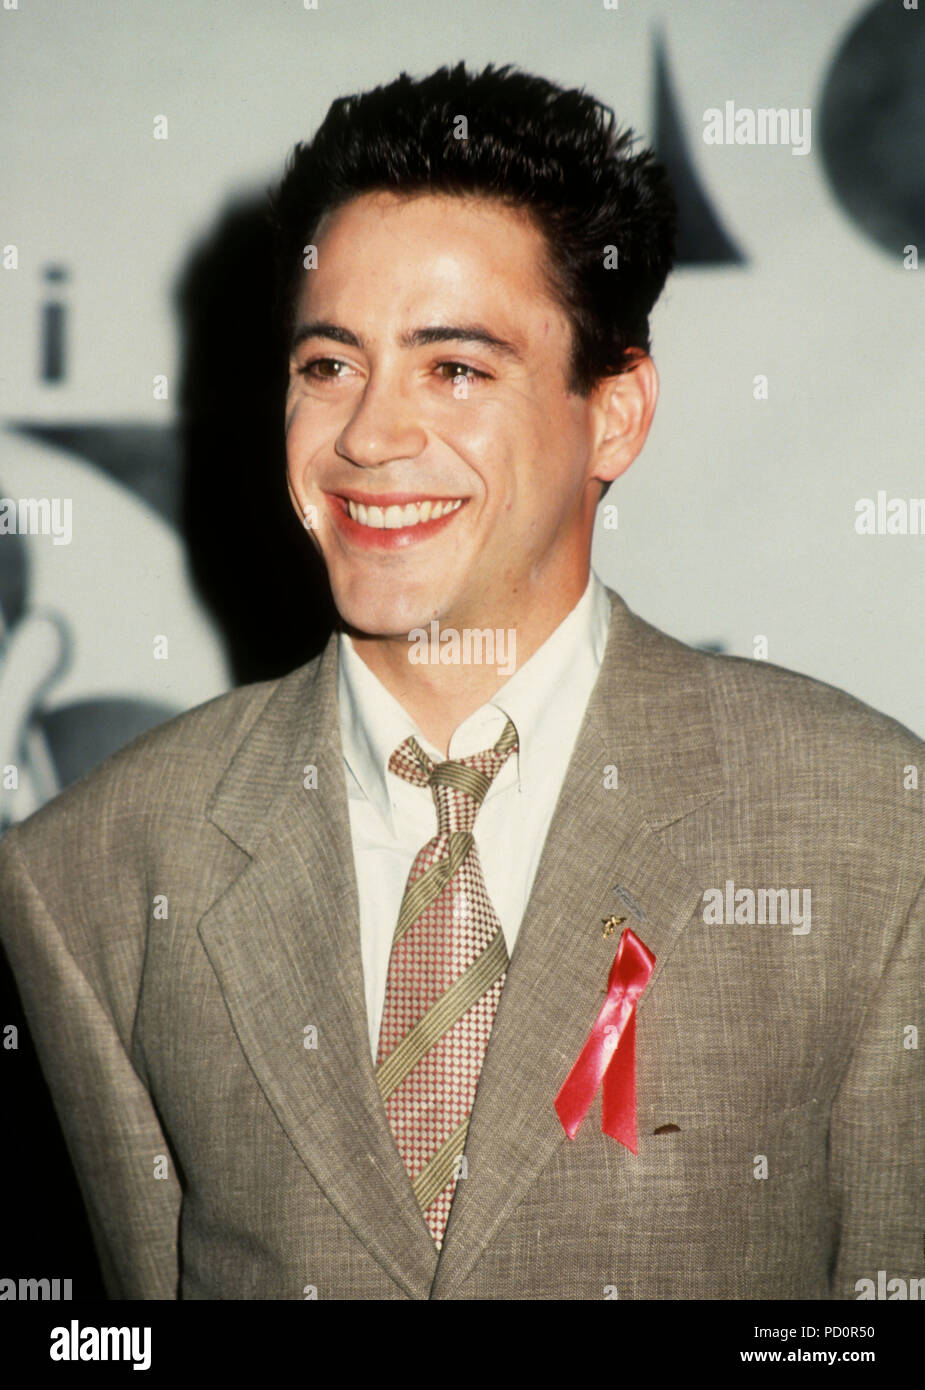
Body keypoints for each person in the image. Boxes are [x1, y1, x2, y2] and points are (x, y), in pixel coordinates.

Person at [0, 61, 921, 1301]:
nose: (369, 436)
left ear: (616, 415)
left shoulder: (870, 830)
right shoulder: (97, 872)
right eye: (329, 365)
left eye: (454, 369)